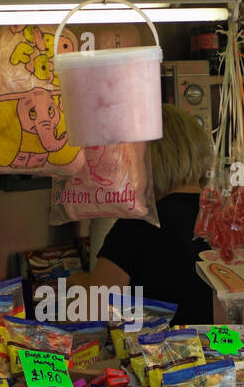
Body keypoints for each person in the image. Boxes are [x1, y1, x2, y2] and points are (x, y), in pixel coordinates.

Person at [83, 105, 219, 324]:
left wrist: (74, 287)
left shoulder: (139, 225)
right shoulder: (229, 218)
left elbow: (94, 309)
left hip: (165, 345)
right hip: (232, 343)